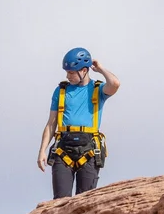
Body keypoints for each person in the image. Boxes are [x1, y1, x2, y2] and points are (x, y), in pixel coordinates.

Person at [37, 47, 121, 198]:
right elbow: (51, 124)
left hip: (89, 149)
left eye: (71, 72)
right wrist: (42, 150)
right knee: (60, 201)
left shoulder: (98, 89)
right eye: (67, 72)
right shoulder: (61, 91)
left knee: (85, 201)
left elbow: (115, 83)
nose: (67, 76)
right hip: (63, 147)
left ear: (83, 70)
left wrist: (100, 69)